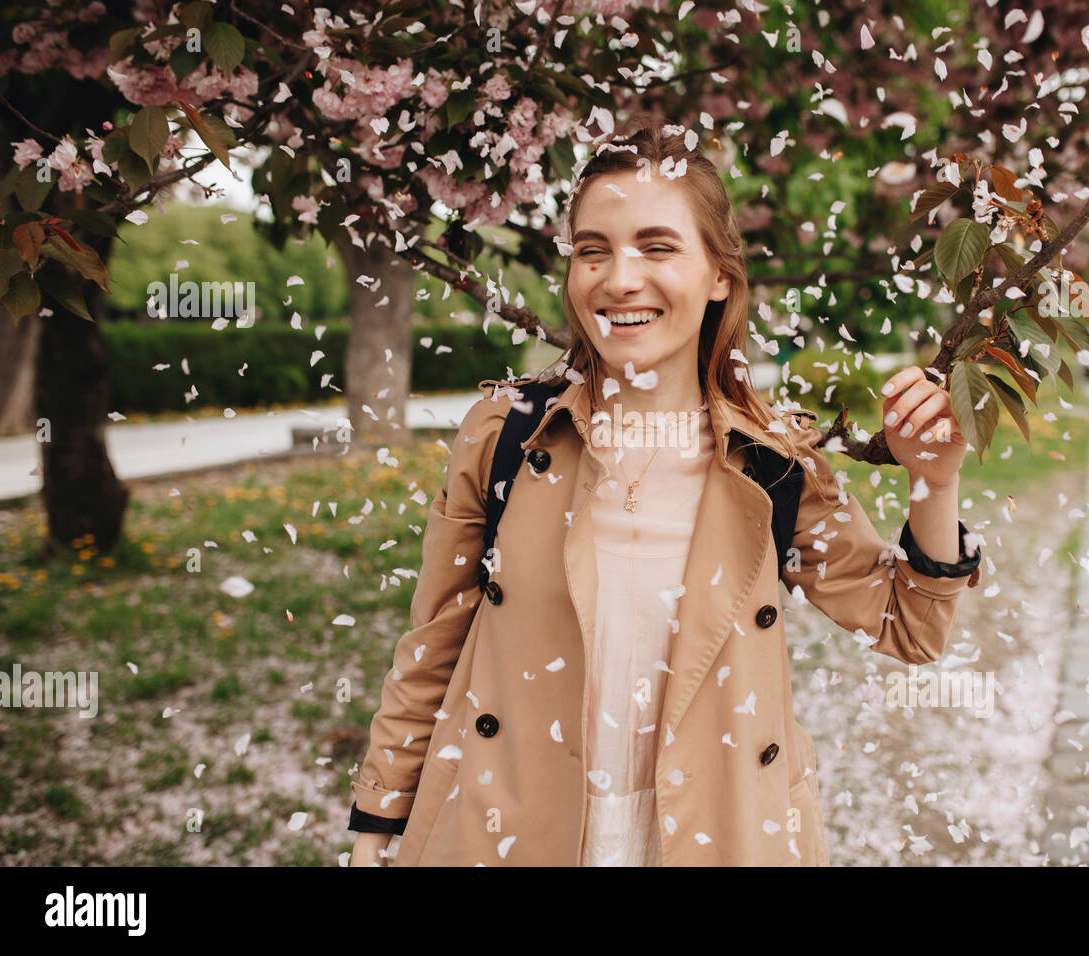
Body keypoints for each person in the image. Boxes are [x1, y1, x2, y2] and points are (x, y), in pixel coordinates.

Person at [348, 118, 980, 867]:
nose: (619, 279)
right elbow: (431, 649)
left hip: (714, 833)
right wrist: (376, 828)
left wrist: (934, 483)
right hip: (512, 827)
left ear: (719, 275)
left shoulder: (774, 462)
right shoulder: (507, 435)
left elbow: (910, 628)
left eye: (656, 246)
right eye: (593, 250)